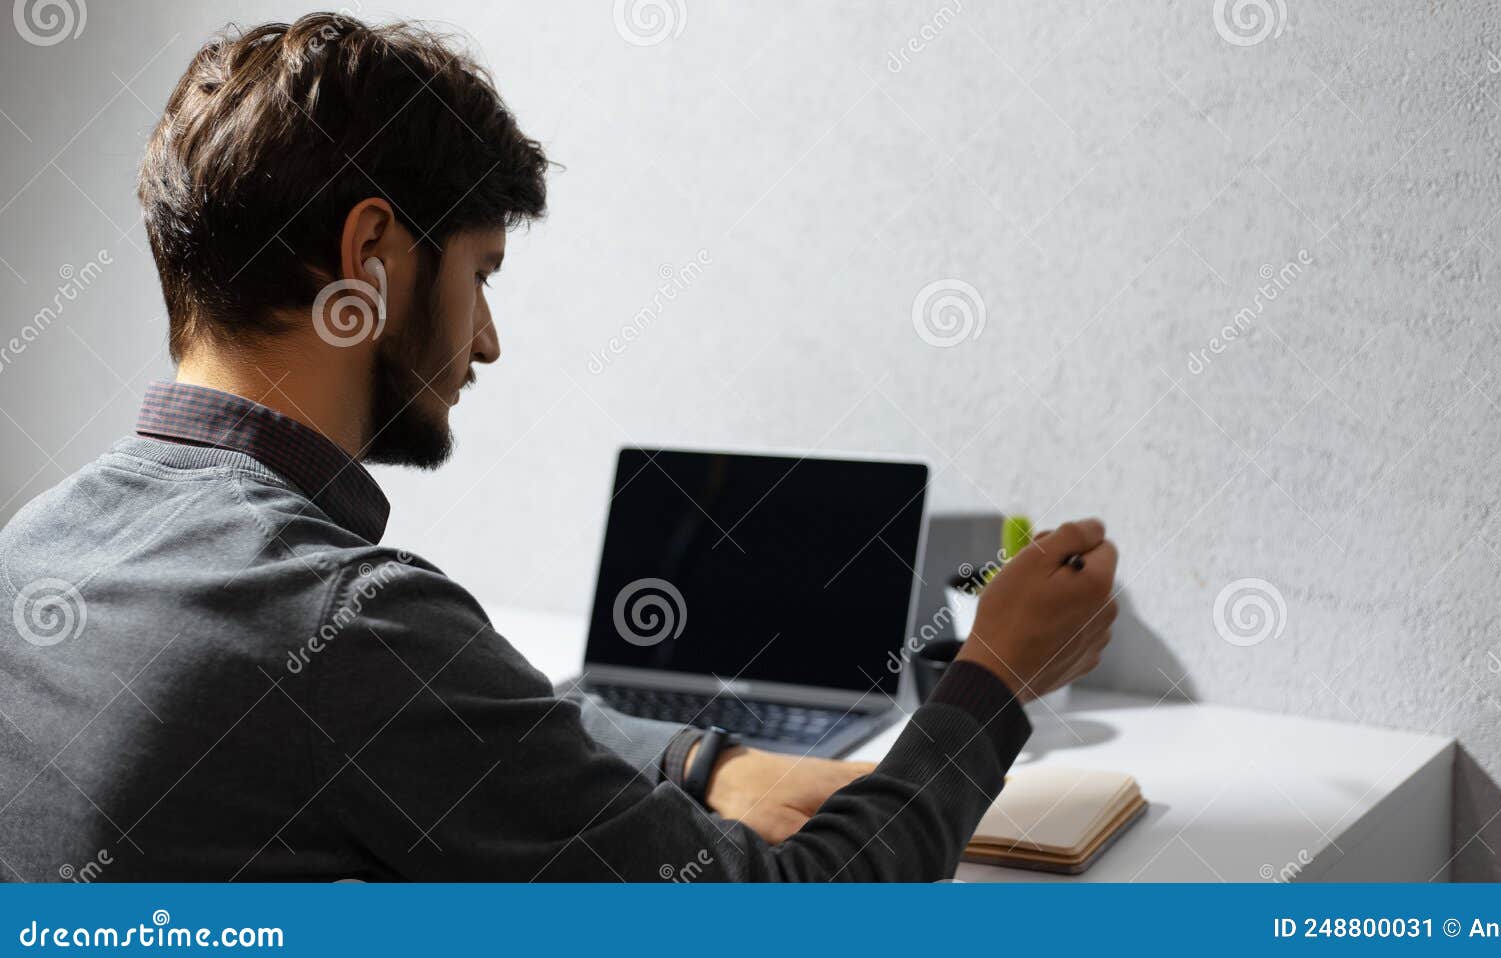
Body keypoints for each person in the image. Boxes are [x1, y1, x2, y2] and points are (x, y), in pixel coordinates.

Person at [0, 13, 1118, 881]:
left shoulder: (38, 545)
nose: (486, 339)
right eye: (480, 274)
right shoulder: (339, 620)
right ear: (371, 255)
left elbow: (452, 718)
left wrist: (701, 759)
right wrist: (996, 678)